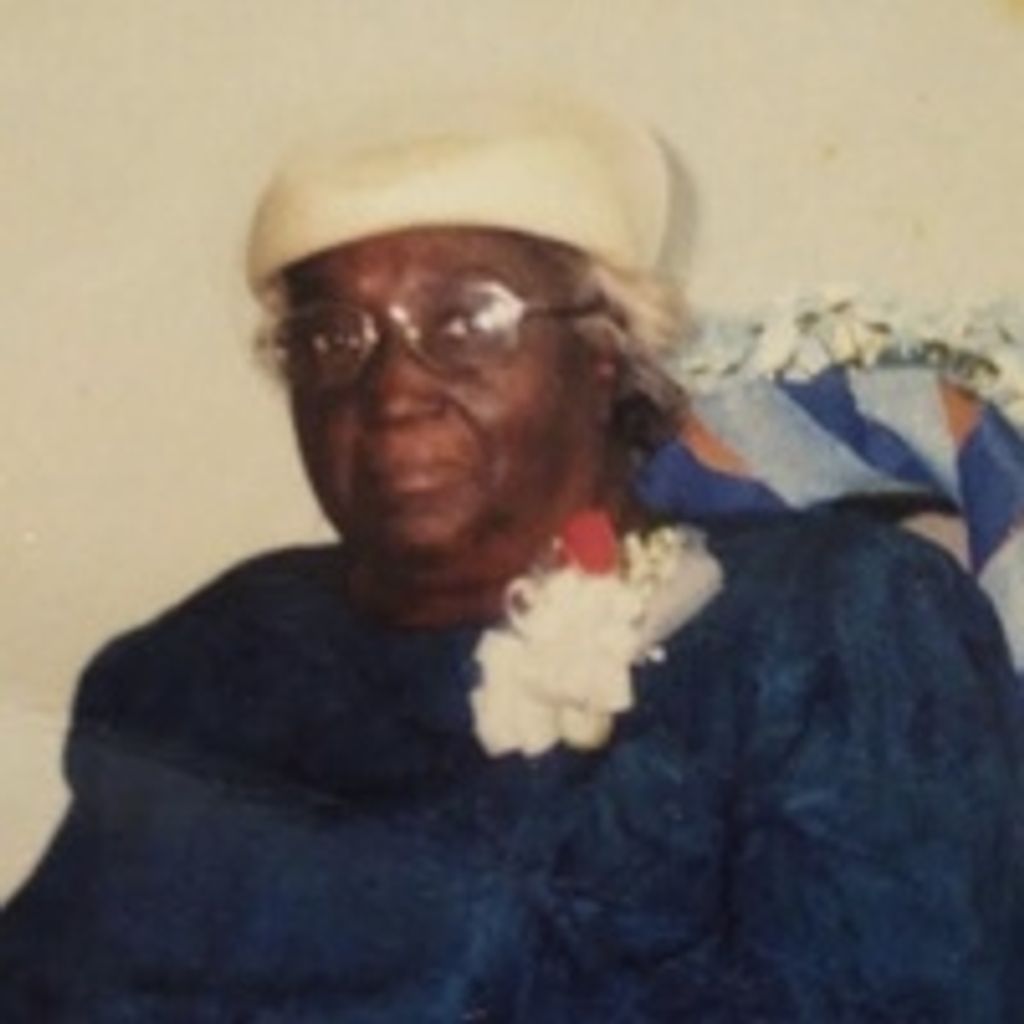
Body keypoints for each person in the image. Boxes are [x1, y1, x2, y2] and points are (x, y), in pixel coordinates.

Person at [0, 95, 1021, 1022]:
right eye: (333, 338)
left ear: (606, 349)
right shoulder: (208, 656)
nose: (392, 392)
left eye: (467, 321)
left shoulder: (834, 622)